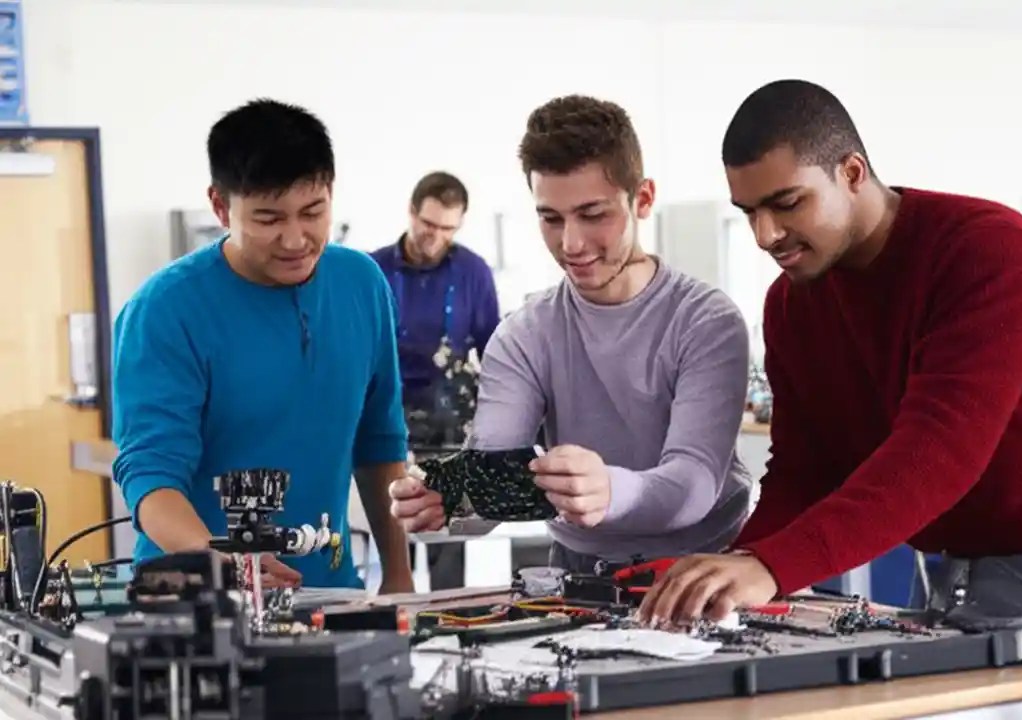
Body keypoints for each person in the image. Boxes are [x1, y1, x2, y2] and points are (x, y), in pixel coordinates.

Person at [638, 79, 1022, 650]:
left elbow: (937, 455)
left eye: (787, 204)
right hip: (956, 552)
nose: (766, 235)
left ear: (853, 173)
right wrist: (734, 568)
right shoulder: (791, 304)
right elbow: (804, 470)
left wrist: (772, 567)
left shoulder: (989, 254)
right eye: (750, 212)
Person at [389, 94, 754, 572]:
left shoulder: (706, 322)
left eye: (593, 214)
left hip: (706, 563)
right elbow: (494, 475)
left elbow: (693, 486)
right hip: (580, 565)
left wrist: (611, 489)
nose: (571, 244)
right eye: (551, 218)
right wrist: (449, 498)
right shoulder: (523, 335)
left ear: (642, 199)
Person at [111, 98, 415, 592]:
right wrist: (219, 566)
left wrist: (398, 577)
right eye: (269, 219)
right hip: (199, 601)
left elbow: (379, 440)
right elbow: (150, 477)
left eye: (312, 212)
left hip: (332, 592)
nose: (295, 239)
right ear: (219, 206)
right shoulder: (165, 311)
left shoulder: (361, 283)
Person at [370, 172, 500, 452]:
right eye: (429, 224)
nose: (436, 237)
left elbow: (494, 354)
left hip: (452, 420)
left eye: (447, 229)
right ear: (411, 211)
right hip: (385, 418)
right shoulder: (372, 271)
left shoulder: (474, 272)